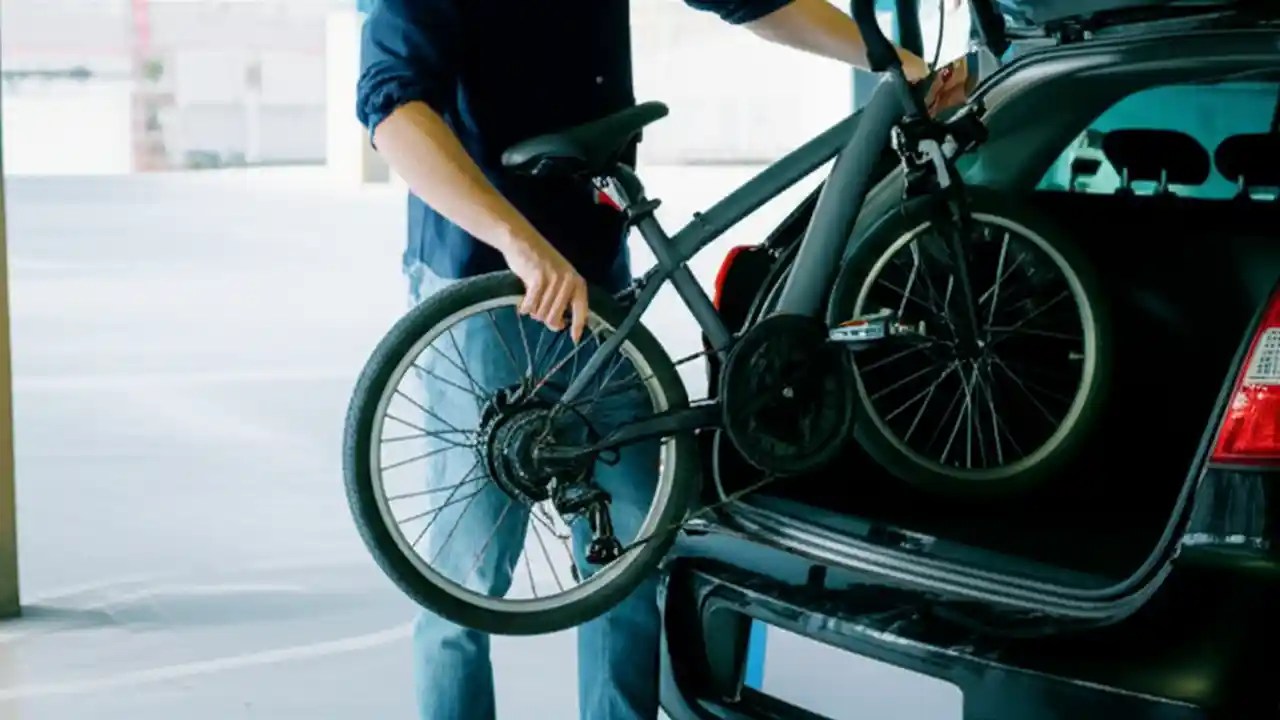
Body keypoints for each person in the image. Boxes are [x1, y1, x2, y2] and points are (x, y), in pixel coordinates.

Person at [356, 2, 933, 719]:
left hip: (598, 294)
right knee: (467, 582)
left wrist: (894, 63)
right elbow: (390, 108)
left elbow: (756, 0)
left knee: (630, 557)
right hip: (487, 291)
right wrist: (517, 240)